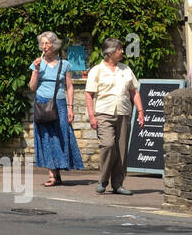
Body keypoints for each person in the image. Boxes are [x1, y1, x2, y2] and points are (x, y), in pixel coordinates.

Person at [85, 37, 145, 195]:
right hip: (104, 113)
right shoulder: (97, 70)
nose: (122, 52)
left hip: (124, 113)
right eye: (119, 49)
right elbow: (89, 94)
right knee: (108, 145)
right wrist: (91, 115)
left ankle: (118, 184)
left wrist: (140, 111)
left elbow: (134, 91)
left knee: (122, 150)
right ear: (110, 52)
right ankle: (103, 180)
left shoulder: (125, 69)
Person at [29, 31, 84, 187]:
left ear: (54, 45)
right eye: (42, 43)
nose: (44, 46)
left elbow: (70, 87)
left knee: (60, 137)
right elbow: (32, 87)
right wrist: (36, 70)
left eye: (47, 43)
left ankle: (57, 173)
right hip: (42, 103)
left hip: (59, 104)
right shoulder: (37, 63)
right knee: (46, 138)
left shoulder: (64, 64)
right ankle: (52, 175)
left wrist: (70, 108)